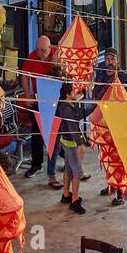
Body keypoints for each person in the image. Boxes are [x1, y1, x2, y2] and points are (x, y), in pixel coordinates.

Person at [20, 36, 58, 179]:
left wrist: (55, 61)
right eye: (38, 50)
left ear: (49, 48)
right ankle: (37, 164)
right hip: (38, 99)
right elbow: (24, 75)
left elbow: (65, 73)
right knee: (37, 132)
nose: (40, 54)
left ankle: (64, 160)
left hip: (55, 99)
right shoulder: (33, 56)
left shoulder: (56, 54)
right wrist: (27, 94)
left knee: (56, 133)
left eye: (43, 51)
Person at [54, 83, 89, 214]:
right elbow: (72, 128)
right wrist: (80, 144)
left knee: (68, 169)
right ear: (68, 95)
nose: (76, 93)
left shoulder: (65, 105)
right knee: (78, 173)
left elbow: (79, 114)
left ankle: (66, 195)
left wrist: (94, 106)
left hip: (65, 142)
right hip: (71, 144)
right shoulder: (67, 109)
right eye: (74, 92)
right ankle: (74, 201)